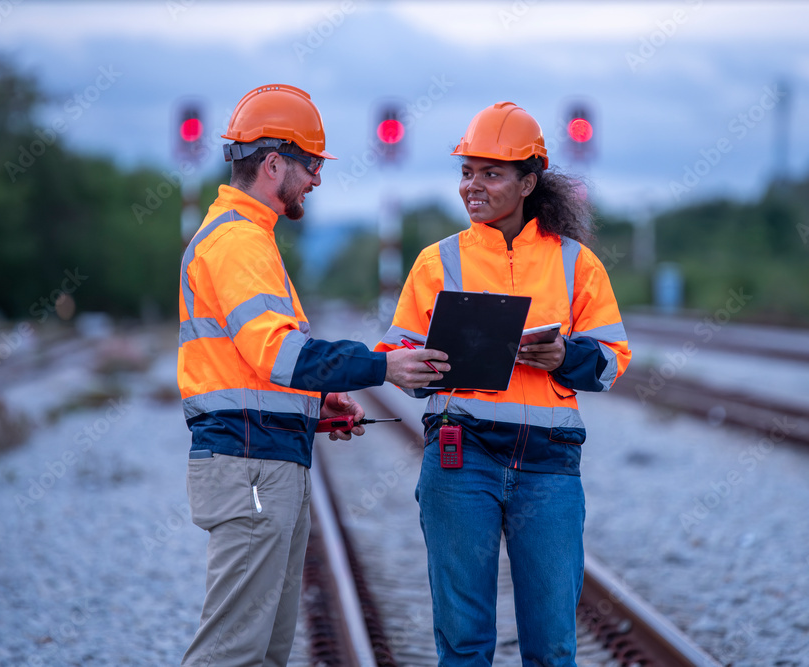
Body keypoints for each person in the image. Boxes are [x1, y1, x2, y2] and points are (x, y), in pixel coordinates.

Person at [177, 84, 449, 667]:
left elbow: (253, 362)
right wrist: (382, 365)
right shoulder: (237, 244)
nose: (318, 180)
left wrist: (314, 404)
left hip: (264, 458)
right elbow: (281, 354)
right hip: (250, 465)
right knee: (232, 652)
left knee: (265, 649)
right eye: (312, 165)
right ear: (273, 162)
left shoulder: (252, 241)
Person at [375, 101, 631, 665]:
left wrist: (564, 354)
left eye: (491, 173)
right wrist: (423, 365)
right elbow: (396, 358)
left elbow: (613, 360)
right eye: (467, 172)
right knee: (464, 643)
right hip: (460, 459)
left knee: (552, 646)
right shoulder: (436, 261)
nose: (473, 186)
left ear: (528, 182)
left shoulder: (575, 263)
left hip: (550, 467)